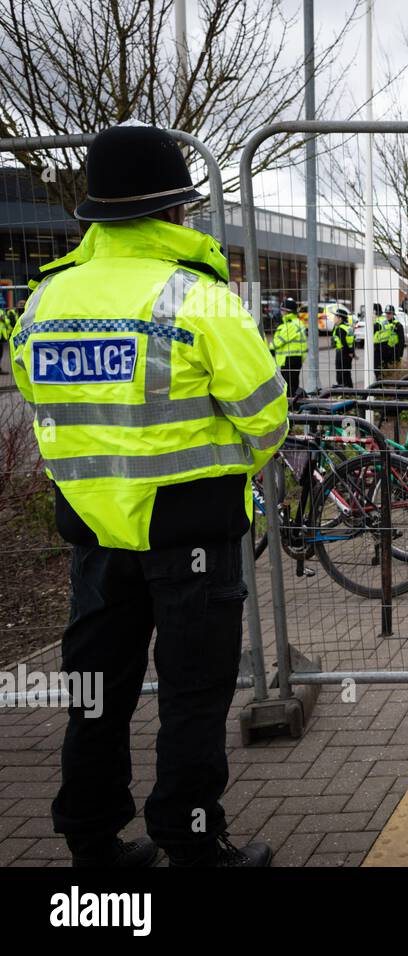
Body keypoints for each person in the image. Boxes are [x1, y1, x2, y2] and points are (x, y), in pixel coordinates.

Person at [10, 122, 288, 867]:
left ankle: (93, 841)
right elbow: (267, 413)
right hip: (189, 532)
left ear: (96, 215)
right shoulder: (196, 298)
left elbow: (42, 403)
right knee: (194, 695)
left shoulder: (44, 301)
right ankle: (192, 843)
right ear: (173, 212)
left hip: (94, 536)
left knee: (98, 692)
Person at [270, 299, 308, 396]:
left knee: (288, 386)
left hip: (289, 359)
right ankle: (295, 403)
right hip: (296, 358)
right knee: (293, 384)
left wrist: (269, 348)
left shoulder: (290, 325)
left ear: (287, 312)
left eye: (282, 310)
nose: (281, 313)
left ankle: (293, 404)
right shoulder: (297, 323)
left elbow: (279, 341)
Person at [331, 305, 354, 387]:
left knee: (341, 374)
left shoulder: (340, 329)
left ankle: (343, 391)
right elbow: (352, 341)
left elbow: (344, 343)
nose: (334, 318)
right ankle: (349, 390)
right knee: (347, 374)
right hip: (348, 353)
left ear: (340, 318)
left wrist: (348, 352)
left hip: (342, 353)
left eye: (335, 317)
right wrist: (352, 352)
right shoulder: (347, 327)